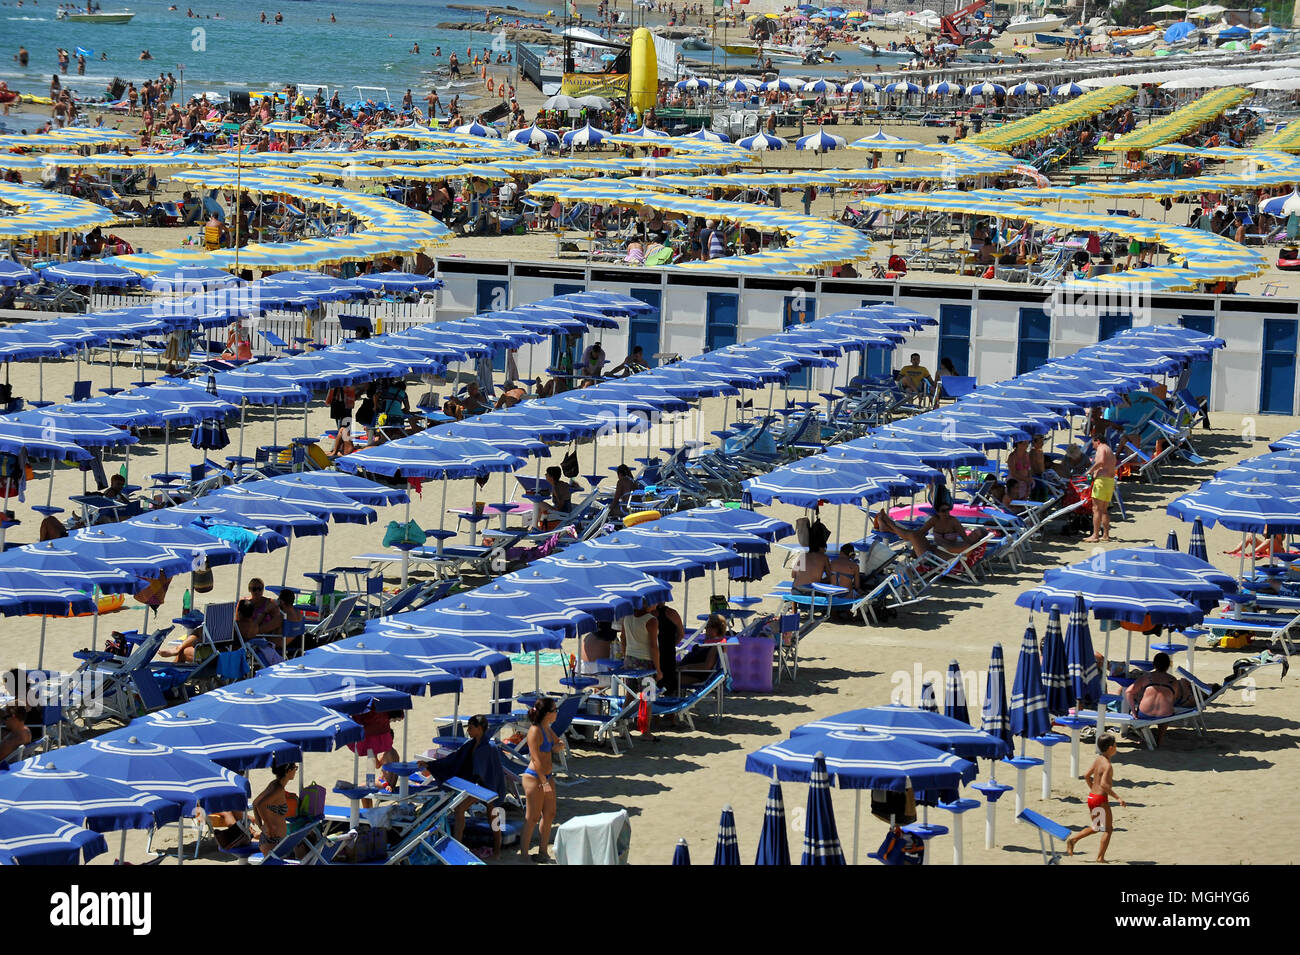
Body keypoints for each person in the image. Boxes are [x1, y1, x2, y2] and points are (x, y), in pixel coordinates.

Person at [424, 714, 505, 857]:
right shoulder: (471, 744)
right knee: (459, 809)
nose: (468, 731)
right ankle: (458, 846)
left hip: (490, 786)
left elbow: (495, 772)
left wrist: (493, 791)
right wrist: (430, 765)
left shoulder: (489, 747)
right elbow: (454, 759)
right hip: (478, 786)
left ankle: (498, 851)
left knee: (494, 816)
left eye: (471, 728)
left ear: (479, 729)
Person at [1064, 733, 1126, 862]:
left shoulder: (1099, 759)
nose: (1116, 747)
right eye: (1115, 745)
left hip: (1091, 797)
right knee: (1108, 829)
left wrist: (1093, 789)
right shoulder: (1108, 765)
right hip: (1100, 800)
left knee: (1096, 827)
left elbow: (1087, 775)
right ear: (1110, 748)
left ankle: (1073, 840)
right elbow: (1104, 784)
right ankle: (1100, 858)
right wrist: (1118, 798)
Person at [876, 493, 986, 559]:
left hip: (931, 559)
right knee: (915, 535)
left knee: (914, 535)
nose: (972, 533)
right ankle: (889, 526)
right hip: (932, 553)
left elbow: (947, 547)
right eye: (973, 531)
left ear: (978, 540)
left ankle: (889, 525)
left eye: (975, 533)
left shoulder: (966, 546)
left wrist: (939, 539)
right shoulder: (966, 543)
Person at [518, 696, 562, 862]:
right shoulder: (535, 730)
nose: (557, 712)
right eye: (555, 710)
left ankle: (543, 851)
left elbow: (556, 743)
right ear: (547, 713)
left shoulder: (547, 728)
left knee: (550, 814)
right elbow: (536, 759)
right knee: (532, 817)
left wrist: (557, 746)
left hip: (547, 776)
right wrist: (544, 782)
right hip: (535, 777)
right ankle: (523, 855)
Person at [1125, 651, 1179, 742]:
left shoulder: (1146, 677)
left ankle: (1143, 732)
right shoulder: (1173, 680)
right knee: (1166, 713)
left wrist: (1134, 711)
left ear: (1154, 665)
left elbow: (1128, 692)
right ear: (1168, 665)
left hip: (1145, 713)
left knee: (1143, 703)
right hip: (1164, 715)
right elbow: (1174, 698)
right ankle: (1159, 739)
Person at [349, 707, 402, 790]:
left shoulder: (387, 753)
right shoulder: (394, 753)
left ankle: (368, 803)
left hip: (385, 784)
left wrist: (374, 754)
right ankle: (368, 802)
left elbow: (377, 765)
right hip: (389, 783)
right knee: (365, 786)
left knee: (360, 788)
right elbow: (378, 766)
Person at [251, 762, 298, 855]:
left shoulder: (274, 784)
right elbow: (260, 805)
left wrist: (261, 826)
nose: (296, 771)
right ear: (289, 771)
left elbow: (255, 803)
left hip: (271, 838)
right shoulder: (278, 789)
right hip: (272, 840)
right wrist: (269, 827)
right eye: (295, 768)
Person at [1083, 431, 1116, 543]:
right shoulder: (1110, 450)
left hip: (1101, 481)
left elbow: (1101, 461)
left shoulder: (1101, 448)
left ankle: (1095, 535)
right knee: (1104, 510)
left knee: (1096, 509)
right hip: (1110, 482)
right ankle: (1106, 535)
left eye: (1093, 443)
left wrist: (1090, 471)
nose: (1093, 445)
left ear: (1098, 441)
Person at [653, 601, 683, 696]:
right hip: (668, 654)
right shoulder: (672, 613)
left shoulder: (648, 615)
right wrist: (670, 645)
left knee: (650, 689)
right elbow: (681, 634)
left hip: (651, 654)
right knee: (669, 686)